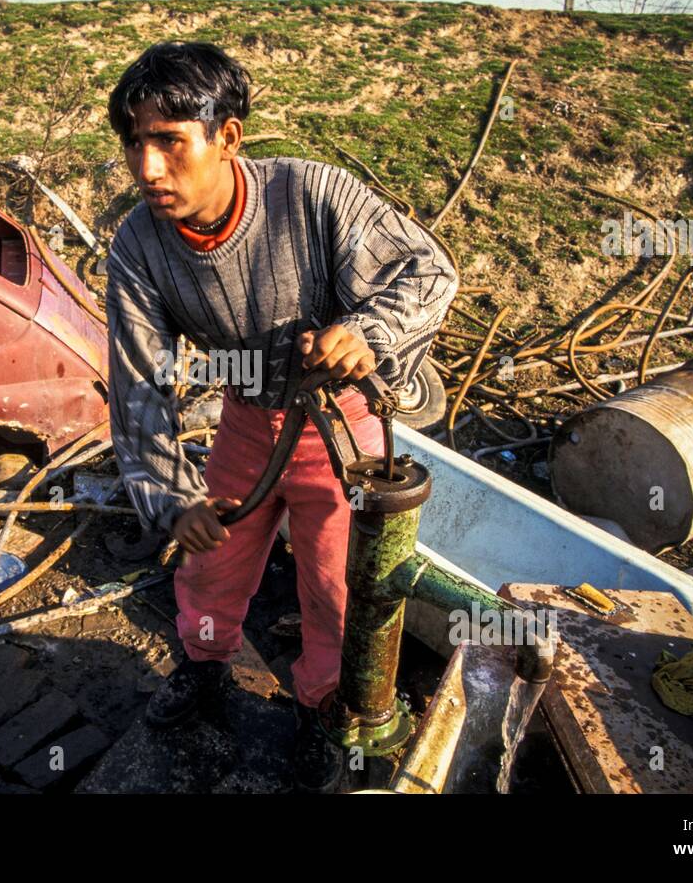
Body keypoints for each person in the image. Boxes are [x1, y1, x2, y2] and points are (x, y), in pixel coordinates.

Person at [103, 41, 458, 793]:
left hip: (343, 429)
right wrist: (171, 500)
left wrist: (366, 333)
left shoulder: (315, 194)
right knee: (210, 563)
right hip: (246, 420)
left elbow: (429, 269)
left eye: (169, 142)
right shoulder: (139, 243)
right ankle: (203, 670)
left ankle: (323, 707)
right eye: (135, 143)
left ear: (228, 138)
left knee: (336, 585)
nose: (147, 168)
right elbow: (139, 380)